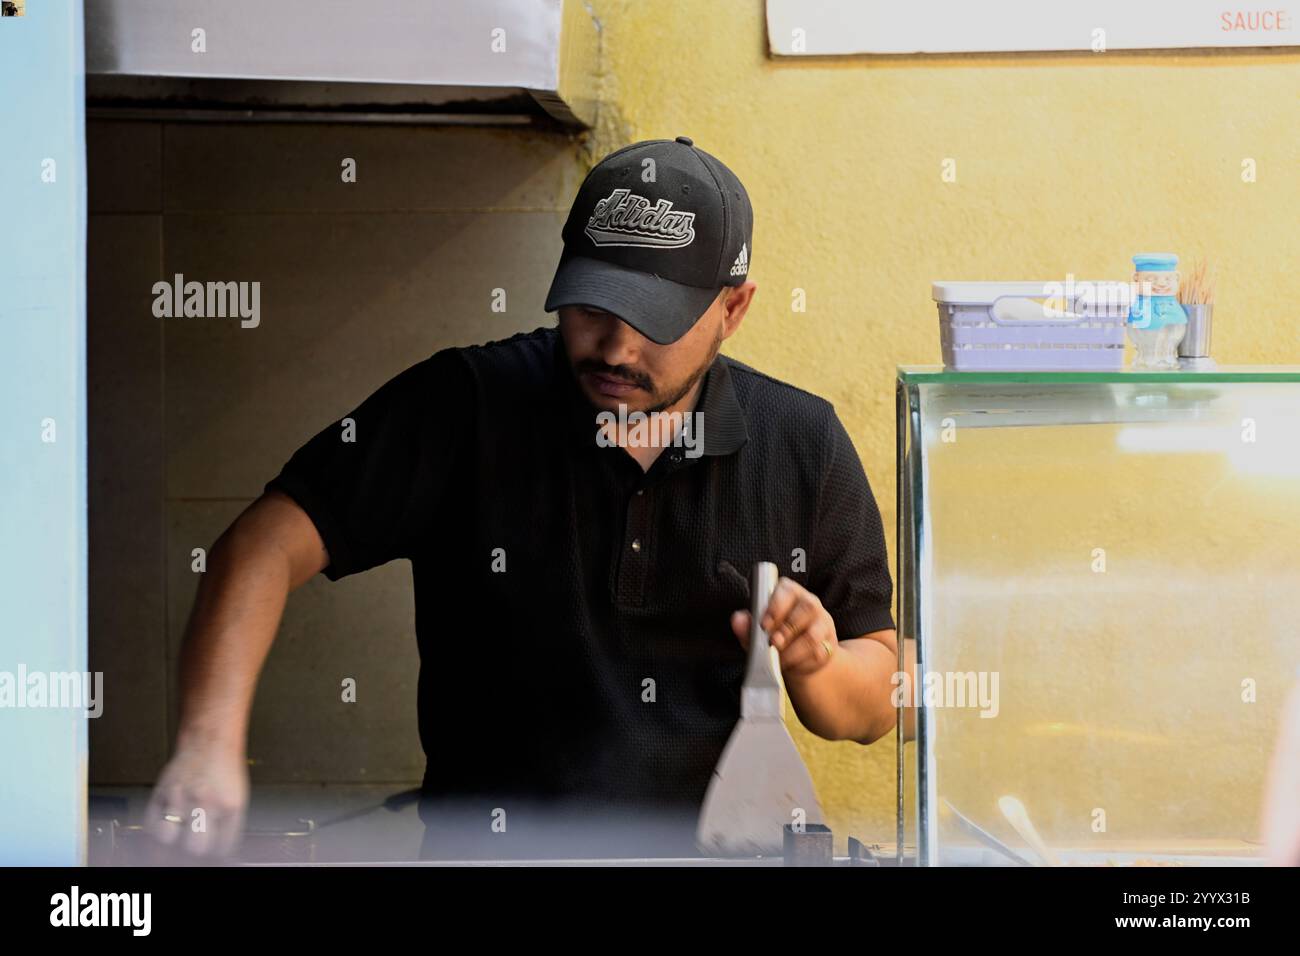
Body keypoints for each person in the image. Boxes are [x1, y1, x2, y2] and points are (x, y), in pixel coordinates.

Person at [145, 136, 899, 861]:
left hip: (712, 857)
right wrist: (207, 748)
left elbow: (874, 703)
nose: (614, 348)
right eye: (592, 306)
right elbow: (263, 546)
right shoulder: (465, 404)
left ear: (733, 310)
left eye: (653, 321)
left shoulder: (801, 440)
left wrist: (815, 663)